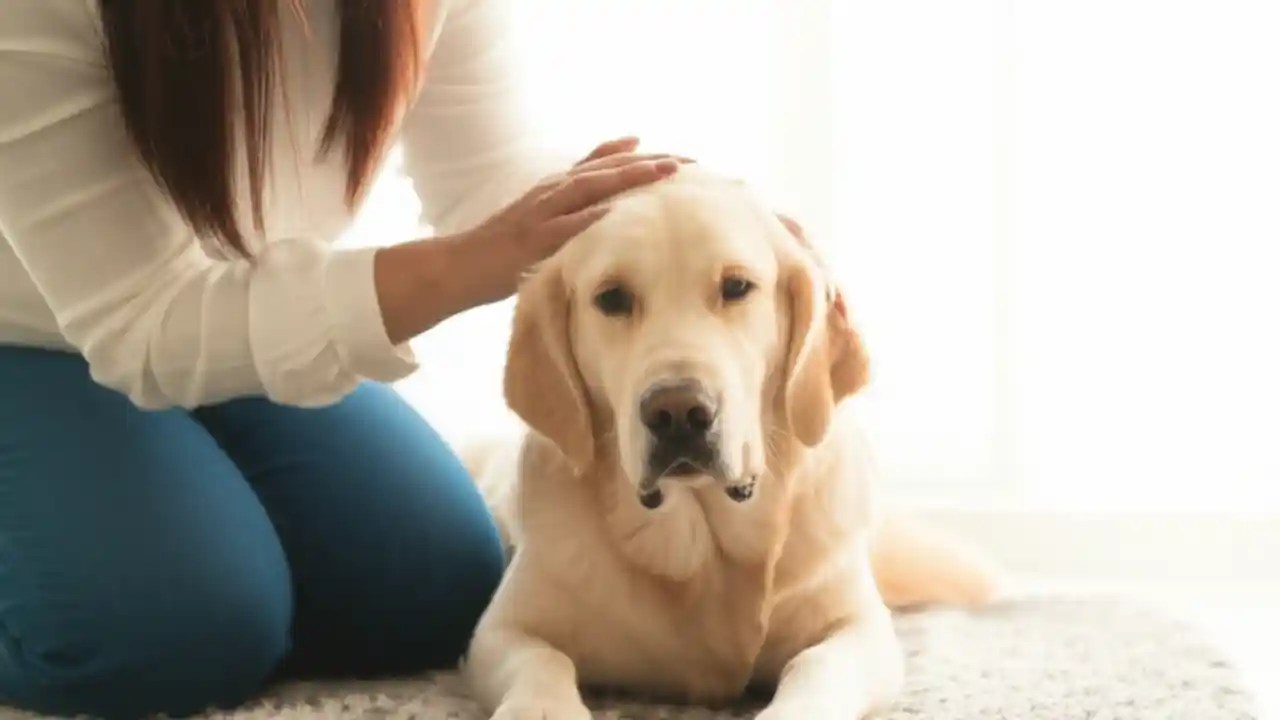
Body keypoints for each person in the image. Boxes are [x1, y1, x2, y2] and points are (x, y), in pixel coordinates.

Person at [0, 1, 683, 718]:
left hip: (234, 307)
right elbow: (146, 322)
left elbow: (488, 178)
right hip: (31, 339)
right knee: (174, 630)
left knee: (434, 584)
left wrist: (684, 218)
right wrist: (461, 268)